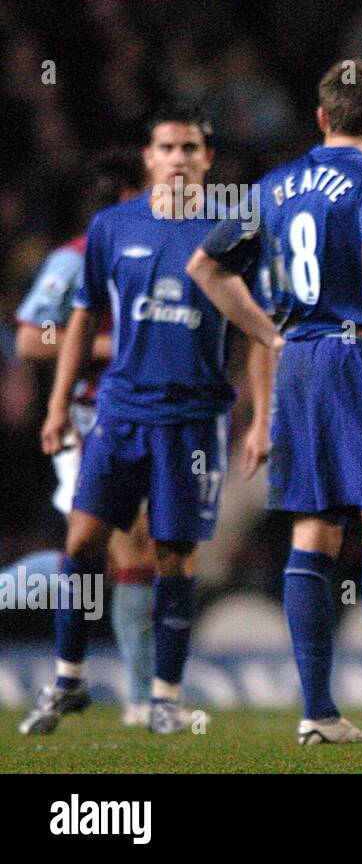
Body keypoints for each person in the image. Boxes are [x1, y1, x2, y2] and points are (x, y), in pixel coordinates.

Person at [189, 59, 362, 746]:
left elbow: (206, 266)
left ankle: (317, 713)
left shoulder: (274, 184)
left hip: (297, 365)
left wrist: (266, 331)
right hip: (358, 357)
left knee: (313, 532)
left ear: (320, 118)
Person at [21, 107, 256, 735]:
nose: (177, 158)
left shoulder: (232, 231)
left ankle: (163, 700)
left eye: (189, 148)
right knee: (80, 543)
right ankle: (68, 679)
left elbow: (262, 329)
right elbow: (81, 317)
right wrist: (55, 404)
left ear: (207, 159)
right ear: (149, 158)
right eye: (166, 147)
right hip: (119, 413)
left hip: (193, 422)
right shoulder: (110, 228)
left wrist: (261, 419)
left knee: (173, 560)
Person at [10, 149, 156, 726]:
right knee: (108, 543)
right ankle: (140, 698)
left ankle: (141, 697)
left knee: (131, 547)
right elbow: (30, 337)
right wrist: (107, 348)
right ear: (123, 195)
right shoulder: (73, 260)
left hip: (138, 415)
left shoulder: (143, 255)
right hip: (84, 418)